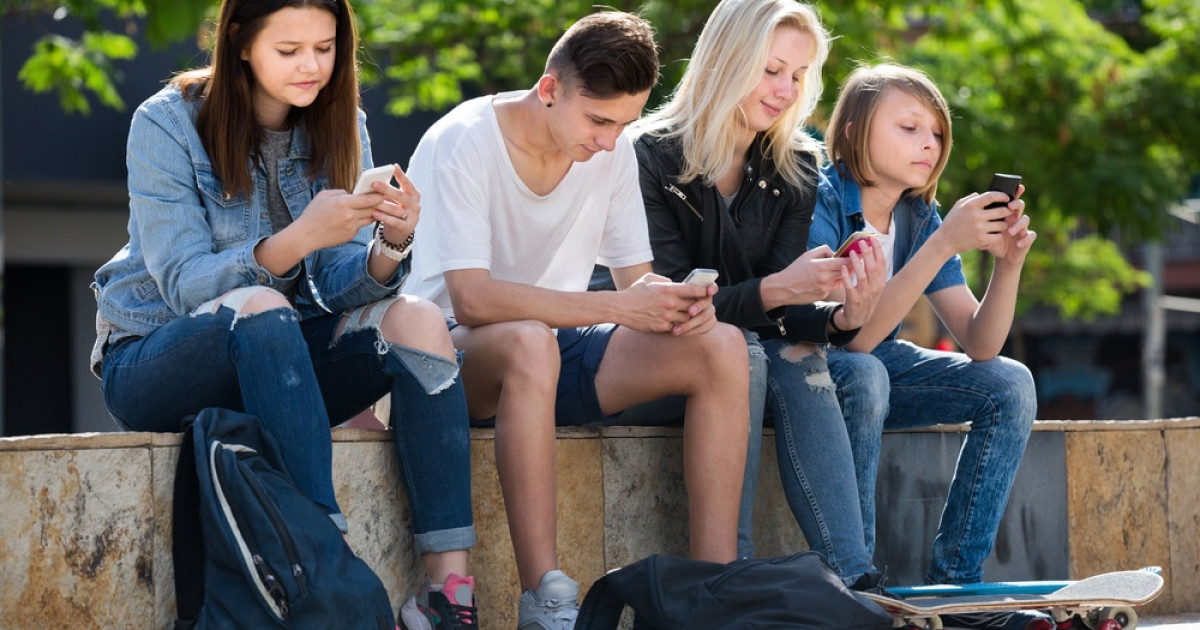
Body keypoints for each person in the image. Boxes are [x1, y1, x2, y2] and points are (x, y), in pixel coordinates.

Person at [87, 1, 479, 628]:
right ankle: (325, 570)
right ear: (241, 43)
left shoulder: (342, 121)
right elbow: (185, 284)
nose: (311, 67)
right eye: (289, 50)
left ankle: (449, 595)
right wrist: (298, 238)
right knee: (264, 307)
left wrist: (391, 243)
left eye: (325, 48)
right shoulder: (166, 122)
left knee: (419, 321)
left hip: (281, 357)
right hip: (156, 356)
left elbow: (338, 284)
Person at [402, 11, 750, 630]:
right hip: (451, 363)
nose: (611, 141)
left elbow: (635, 279)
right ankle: (546, 597)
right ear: (549, 89)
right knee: (531, 344)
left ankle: (711, 593)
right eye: (598, 121)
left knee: (721, 347)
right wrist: (618, 307)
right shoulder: (463, 141)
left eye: (624, 123)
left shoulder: (612, 152)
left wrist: (675, 303)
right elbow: (472, 299)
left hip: (556, 352)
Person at [632, 0, 891, 591]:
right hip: (653, 356)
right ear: (726, 59)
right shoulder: (648, 153)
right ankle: (735, 580)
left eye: (798, 76)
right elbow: (667, 304)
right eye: (771, 70)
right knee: (745, 352)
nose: (786, 90)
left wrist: (842, 316)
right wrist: (777, 290)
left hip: (752, 355)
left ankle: (855, 581)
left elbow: (785, 318)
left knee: (807, 357)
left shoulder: (795, 163)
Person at [811, 63, 1045, 630]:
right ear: (853, 132)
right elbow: (853, 336)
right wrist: (941, 244)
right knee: (866, 372)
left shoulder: (919, 215)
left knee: (1010, 383)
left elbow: (981, 344)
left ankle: (957, 588)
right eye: (909, 127)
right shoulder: (820, 199)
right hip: (814, 370)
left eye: (937, 132)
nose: (929, 144)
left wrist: (1007, 265)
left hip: (879, 368)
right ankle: (857, 589)